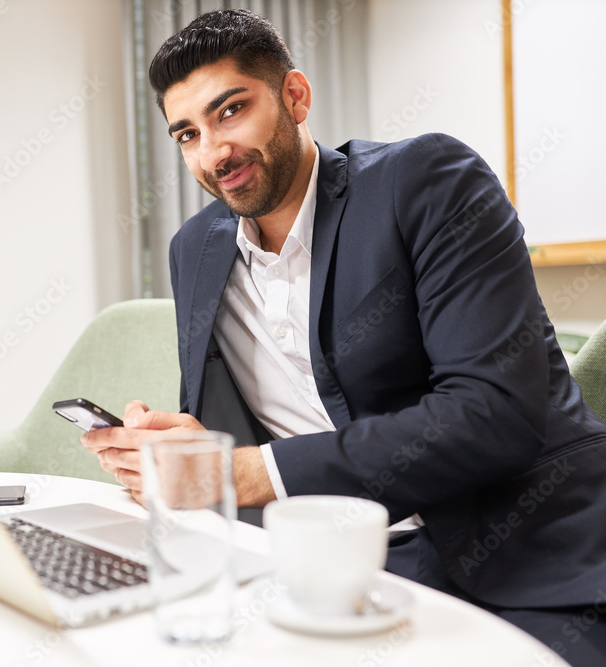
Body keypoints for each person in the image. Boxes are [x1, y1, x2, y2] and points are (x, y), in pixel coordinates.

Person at [81, 8, 606, 664]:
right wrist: (186, 449)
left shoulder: (425, 181)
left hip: (528, 560)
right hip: (326, 570)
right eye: (187, 134)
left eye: (231, 110)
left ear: (295, 96)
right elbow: (238, 435)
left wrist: (246, 472)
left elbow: (493, 414)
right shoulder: (196, 249)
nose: (214, 153)